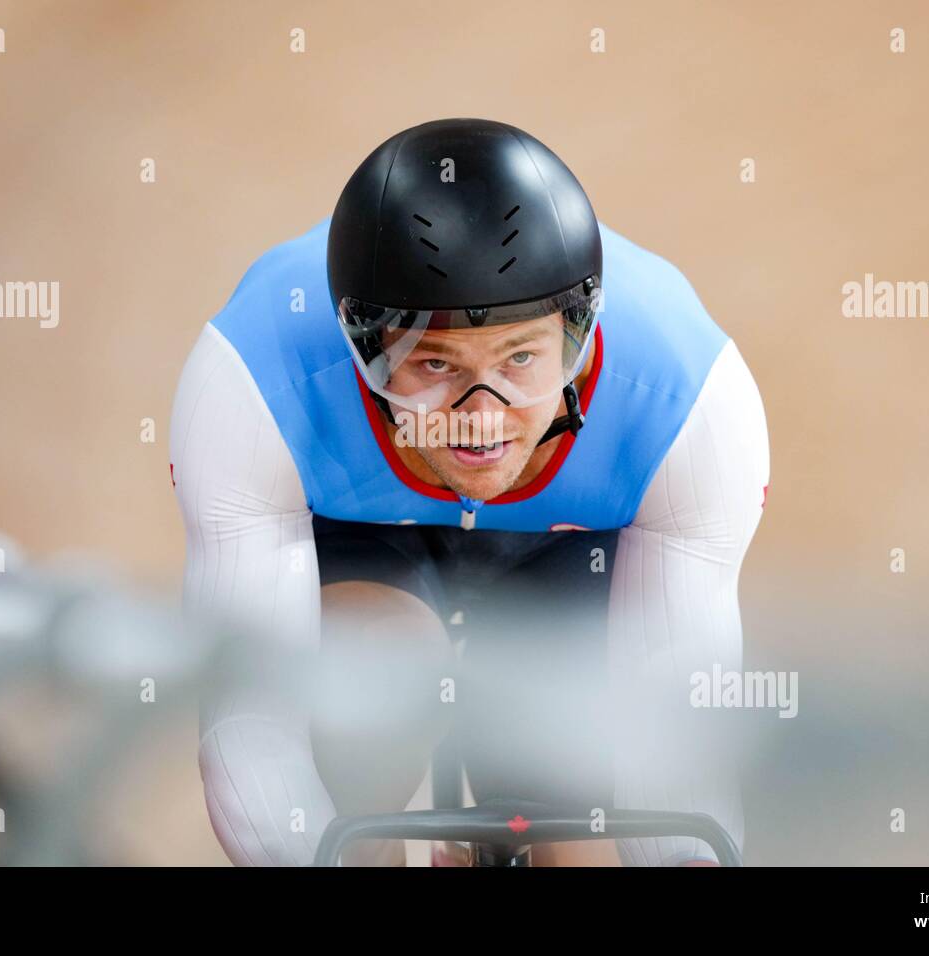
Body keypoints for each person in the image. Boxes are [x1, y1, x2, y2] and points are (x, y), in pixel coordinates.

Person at [169, 118, 769, 866]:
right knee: (368, 688)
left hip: (570, 546)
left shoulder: (689, 401)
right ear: (362, 348)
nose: (481, 419)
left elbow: (681, 762)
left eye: (521, 358)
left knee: (566, 756)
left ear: (580, 339)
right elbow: (249, 735)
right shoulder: (253, 381)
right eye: (433, 365)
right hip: (364, 533)